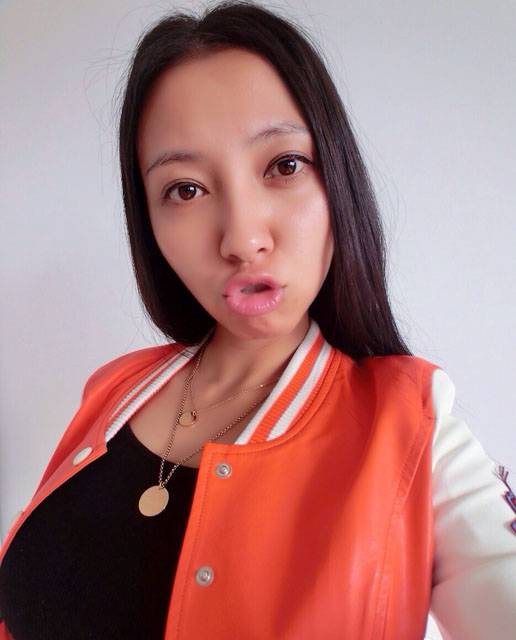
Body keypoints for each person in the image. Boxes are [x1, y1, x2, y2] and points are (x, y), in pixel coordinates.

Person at [0, 1, 515, 638]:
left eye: (284, 165)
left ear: (338, 181)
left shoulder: (415, 432)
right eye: (186, 189)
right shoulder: (114, 389)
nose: (242, 240)